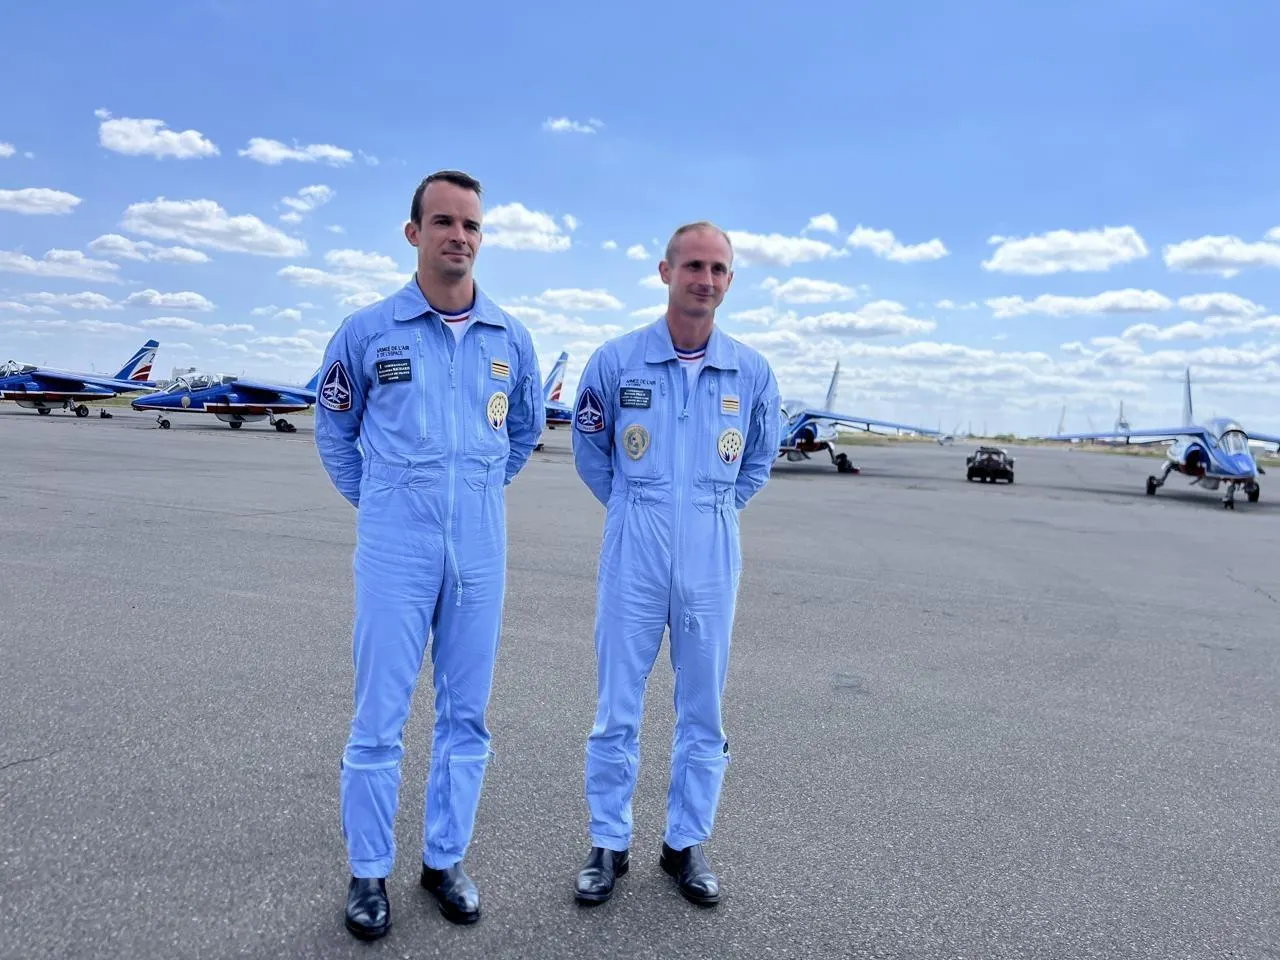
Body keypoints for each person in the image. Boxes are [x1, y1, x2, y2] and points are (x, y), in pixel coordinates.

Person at [314, 169, 544, 939]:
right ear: (413, 233)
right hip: (395, 546)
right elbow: (334, 430)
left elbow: (520, 436)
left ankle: (444, 859)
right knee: (380, 716)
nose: (459, 236)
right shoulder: (369, 330)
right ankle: (368, 872)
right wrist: (384, 503)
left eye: (472, 225)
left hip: (480, 543)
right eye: (443, 221)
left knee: (466, 716)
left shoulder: (510, 337)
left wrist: (473, 495)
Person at [569, 221, 781, 906]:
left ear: (730, 280)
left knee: (703, 710)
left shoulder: (750, 373)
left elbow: (755, 462)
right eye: (693, 266)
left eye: (719, 269)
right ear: (665, 272)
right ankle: (608, 842)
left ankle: (685, 844)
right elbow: (591, 451)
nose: (706, 280)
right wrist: (640, 508)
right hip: (636, 540)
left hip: (712, 549)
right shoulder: (617, 362)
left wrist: (707, 511)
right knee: (616, 707)